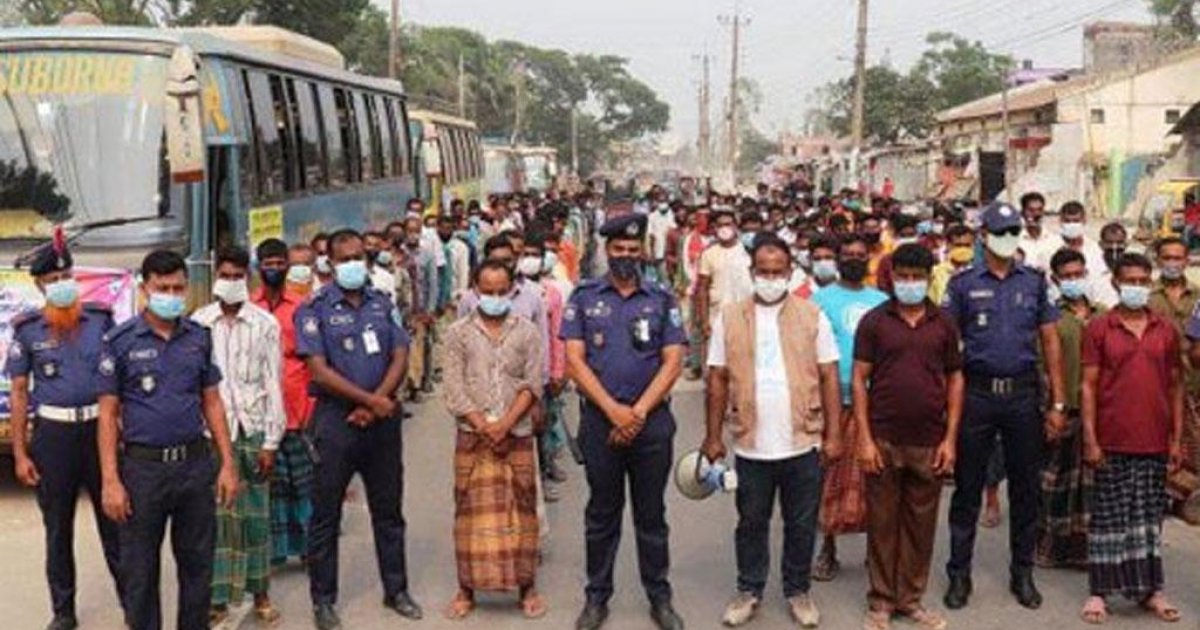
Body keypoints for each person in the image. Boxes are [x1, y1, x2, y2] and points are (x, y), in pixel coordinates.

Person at [702, 234, 842, 628]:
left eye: (777, 272)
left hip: (802, 439)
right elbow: (716, 379)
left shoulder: (811, 315)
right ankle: (749, 590)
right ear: (751, 273)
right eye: (763, 272)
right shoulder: (729, 318)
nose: (769, 279)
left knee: (800, 522)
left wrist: (833, 435)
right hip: (751, 444)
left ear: (790, 273)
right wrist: (713, 436)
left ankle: (797, 591)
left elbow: (830, 375)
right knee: (751, 521)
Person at [97, 249, 239, 630]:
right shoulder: (120, 341)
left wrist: (227, 463)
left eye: (178, 288)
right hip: (142, 471)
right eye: (163, 288)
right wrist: (110, 480)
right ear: (145, 289)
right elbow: (108, 415)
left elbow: (212, 403)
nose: (171, 295)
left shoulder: (198, 338)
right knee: (140, 572)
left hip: (194, 467)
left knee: (197, 567)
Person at [562, 214, 688, 630]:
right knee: (601, 514)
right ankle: (596, 598)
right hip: (601, 423)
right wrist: (613, 411)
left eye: (633, 251)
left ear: (643, 252)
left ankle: (660, 597)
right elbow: (575, 362)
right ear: (606, 251)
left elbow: (673, 362)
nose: (626, 257)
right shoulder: (583, 297)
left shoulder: (661, 298)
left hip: (650, 424)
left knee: (651, 516)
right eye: (618, 250)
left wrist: (636, 413)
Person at [942, 202, 1067, 611]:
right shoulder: (962, 285)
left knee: (1026, 489)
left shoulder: (1034, 282)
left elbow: (1050, 341)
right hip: (977, 395)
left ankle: (1022, 573)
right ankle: (959, 574)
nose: (1007, 237)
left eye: (1014, 230)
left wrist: (1058, 403)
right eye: (1000, 231)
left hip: (1022, 395)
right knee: (967, 490)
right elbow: (947, 345)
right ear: (983, 236)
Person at [296, 229, 421, 630]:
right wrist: (370, 402)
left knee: (389, 512)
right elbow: (318, 369)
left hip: (381, 423)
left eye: (358, 257)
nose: (353, 264)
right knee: (326, 517)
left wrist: (379, 401)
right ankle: (324, 600)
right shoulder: (313, 310)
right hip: (336, 422)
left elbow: (400, 354)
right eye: (344, 258)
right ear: (330, 264)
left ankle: (396, 590)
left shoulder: (382, 304)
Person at [7, 238, 123, 630]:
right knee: (58, 528)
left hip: (99, 433)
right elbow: (21, 393)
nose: (61, 283)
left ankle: (133, 603)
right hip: (53, 437)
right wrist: (21, 454)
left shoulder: (100, 320)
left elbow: (119, 382)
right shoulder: (26, 331)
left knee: (116, 522)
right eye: (53, 278)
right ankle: (63, 610)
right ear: (40, 285)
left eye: (66, 275)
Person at [855, 243, 963, 630]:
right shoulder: (874, 321)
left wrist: (950, 440)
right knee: (882, 523)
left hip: (929, 440)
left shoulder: (945, 323)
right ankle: (881, 601)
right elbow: (859, 378)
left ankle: (910, 599)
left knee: (921, 524)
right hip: (883, 437)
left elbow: (955, 378)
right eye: (903, 276)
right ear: (891, 277)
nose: (910, 284)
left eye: (917, 277)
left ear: (929, 278)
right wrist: (864, 439)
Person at [1080, 252, 1184, 624]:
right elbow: (1088, 387)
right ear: (1116, 283)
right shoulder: (1100, 328)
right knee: (1109, 520)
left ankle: (1150, 590)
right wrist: (1090, 438)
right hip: (1111, 437)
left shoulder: (1165, 330)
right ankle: (1099, 592)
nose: (1136, 288)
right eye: (1130, 281)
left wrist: (1176, 439)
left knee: (1148, 520)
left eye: (1143, 281)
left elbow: (1175, 386)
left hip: (1154, 439)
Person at [441, 259, 546, 620]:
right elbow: (453, 386)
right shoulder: (458, 332)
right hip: (473, 435)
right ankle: (466, 588)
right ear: (474, 290)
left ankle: (527, 586)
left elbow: (533, 384)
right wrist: (484, 425)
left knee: (523, 509)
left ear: (512, 290)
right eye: (487, 291)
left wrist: (506, 423)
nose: (495, 297)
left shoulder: (527, 331)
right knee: (469, 513)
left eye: (502, 291)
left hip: (515, 433)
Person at [192, 245, 286, 626]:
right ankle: (218, 598)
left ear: (246, 278)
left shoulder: (265, 324)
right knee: (219, 518)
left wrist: (271, 441)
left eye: (237, 277)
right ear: (216, 277)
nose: (231, 283)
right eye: (225, 276)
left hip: (253, 427)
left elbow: (273, 382)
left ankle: (260, 592)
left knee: (255, 517)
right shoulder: (199, 323)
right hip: (214, 431)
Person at [810, 234, 888, 582]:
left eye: (860, 254)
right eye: (848, 254)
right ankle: (828, 549)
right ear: (839, 259)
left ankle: (877, 551)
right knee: (829, 480)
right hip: (832, 403)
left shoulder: (882, 300)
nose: (854, 259)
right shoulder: (818, 300)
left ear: (869, 258)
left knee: (876, 480)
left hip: (874, 404)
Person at [1036, 248, 1103, 569]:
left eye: (1079, 274)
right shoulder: (1050, 317)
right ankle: (1050, 548)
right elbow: (1043, 366)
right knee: (1056, 482)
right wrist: (1052, 407)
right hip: (1065, 408)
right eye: (1067, 276)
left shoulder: (1104, 315)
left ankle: (1085, 550)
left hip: (1100, 411)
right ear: (1056, 279)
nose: (1074, 281)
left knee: (1091, 485)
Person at [252, 239, 317, 569]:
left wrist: (311, 408)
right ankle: (275, 551)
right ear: (258, 265)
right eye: (268, 262)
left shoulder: (302, 307)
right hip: (262, 411)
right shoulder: (249, 307)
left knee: (303, 484)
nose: (274, 268)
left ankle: (310, 548)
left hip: (298, 404)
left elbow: (313, 361)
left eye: (280, 262)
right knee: (272, 486)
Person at [696, 209, 753, 364]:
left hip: (746, 315)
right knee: (719, 363)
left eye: (728, 224)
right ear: (714, 228)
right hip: (718, 316)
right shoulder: (709, 254)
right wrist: (704, 320)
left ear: (735, 226)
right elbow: (702, 288)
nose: (724, 228)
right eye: (720, 225)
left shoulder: (748, 251)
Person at [1017, 192, 1057, 272]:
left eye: (1039, 210)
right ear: (1022, 212)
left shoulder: (1055, 240)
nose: (1036, 214)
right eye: (1031, 210)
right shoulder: (1016, 241)